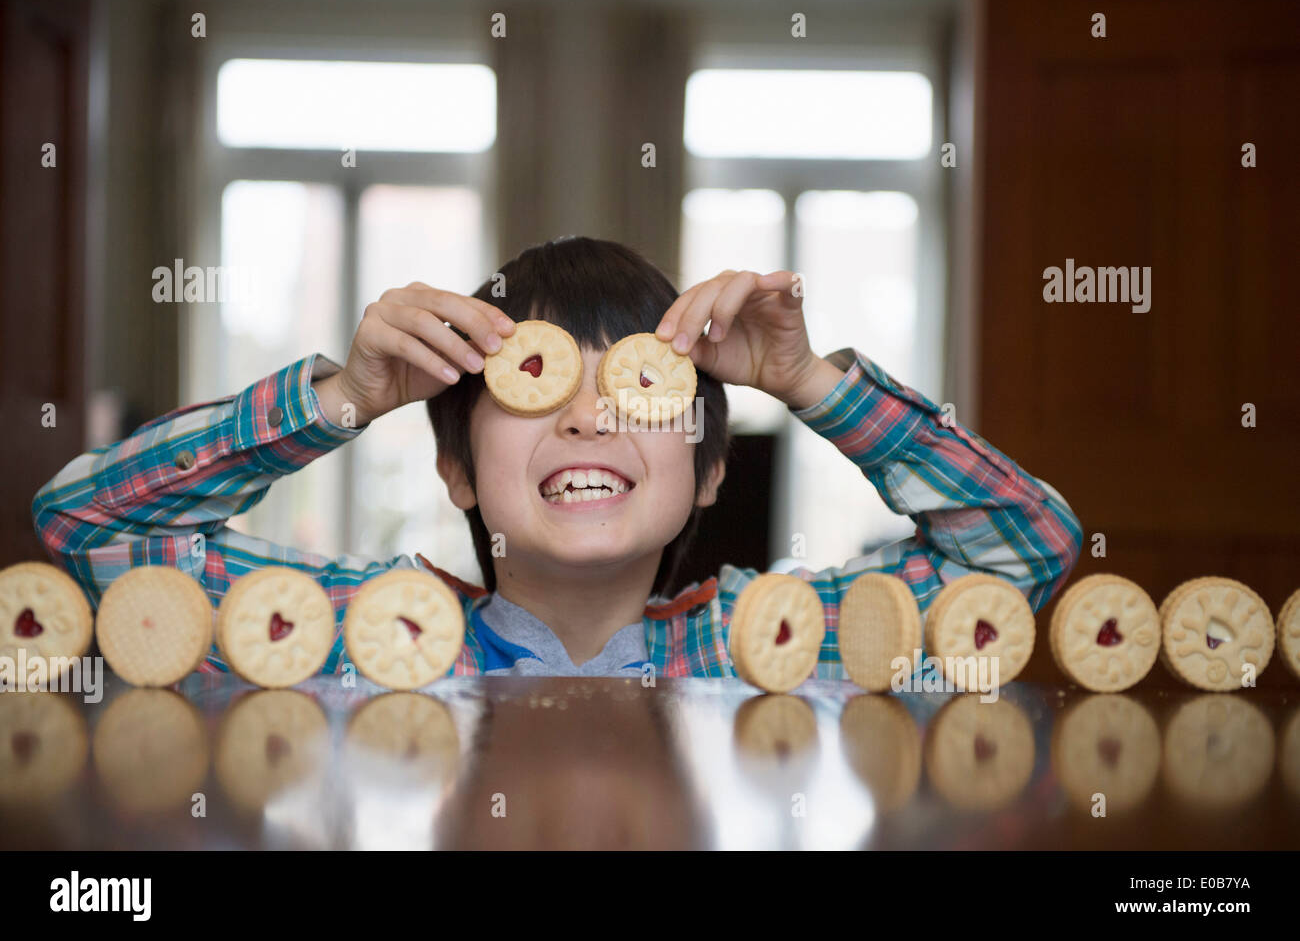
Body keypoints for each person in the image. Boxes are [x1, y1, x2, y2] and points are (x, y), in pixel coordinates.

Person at [32, 236, 1082, 679]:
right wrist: (344, 400)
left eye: (631, 386)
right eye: (536, 388)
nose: (585, 420)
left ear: (711, 467)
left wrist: (814, 383)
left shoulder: (795, 650)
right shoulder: (342, 639)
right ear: (455, 468)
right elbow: (90, 526)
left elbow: (1020, 557)